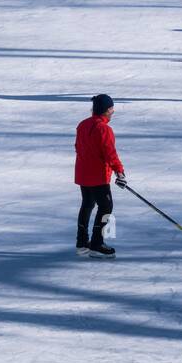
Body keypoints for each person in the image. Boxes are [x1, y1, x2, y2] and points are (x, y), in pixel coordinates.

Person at [74, 93, 124, 258]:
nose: (113, 111)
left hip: (83, 173)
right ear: (106, 110)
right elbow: (110, 153)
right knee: (106, 207)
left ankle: (82, 243)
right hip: (98, 176)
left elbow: (78, 147)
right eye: (111, 108)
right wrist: (119, 171)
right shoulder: (104, 129)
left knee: (87, 204)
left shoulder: (82, 125)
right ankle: (97, 243)